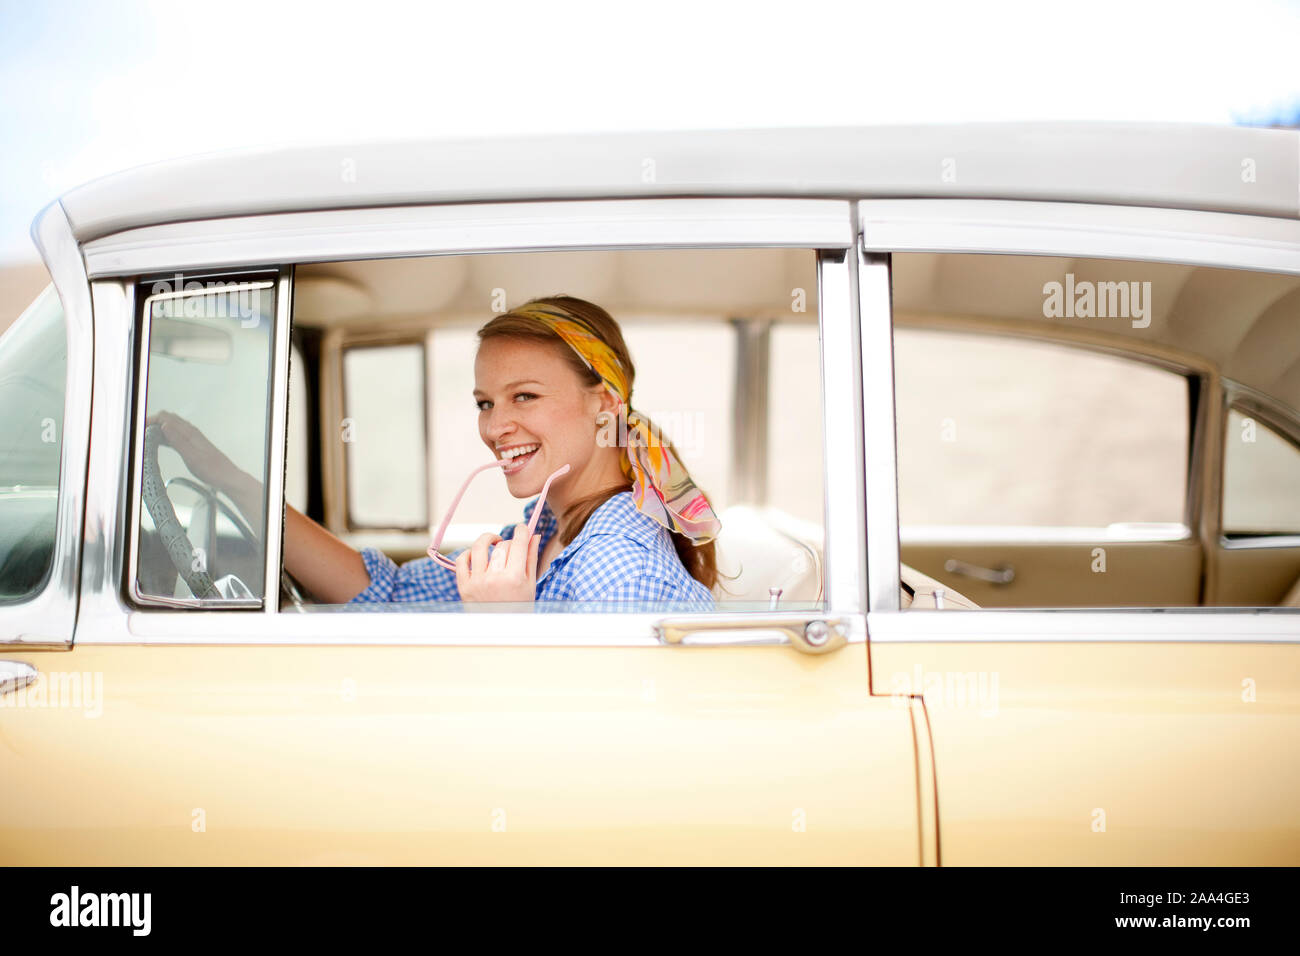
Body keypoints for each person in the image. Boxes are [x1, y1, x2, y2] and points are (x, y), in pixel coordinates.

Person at [152, 295, 720, 607]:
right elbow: (392, 594)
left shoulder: (615, 569)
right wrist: (226, 476)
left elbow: (585, 760)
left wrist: (500, 624)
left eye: (524, 395)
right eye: (484, 403)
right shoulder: (546, 529)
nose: (497, 427)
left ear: (606, 404)